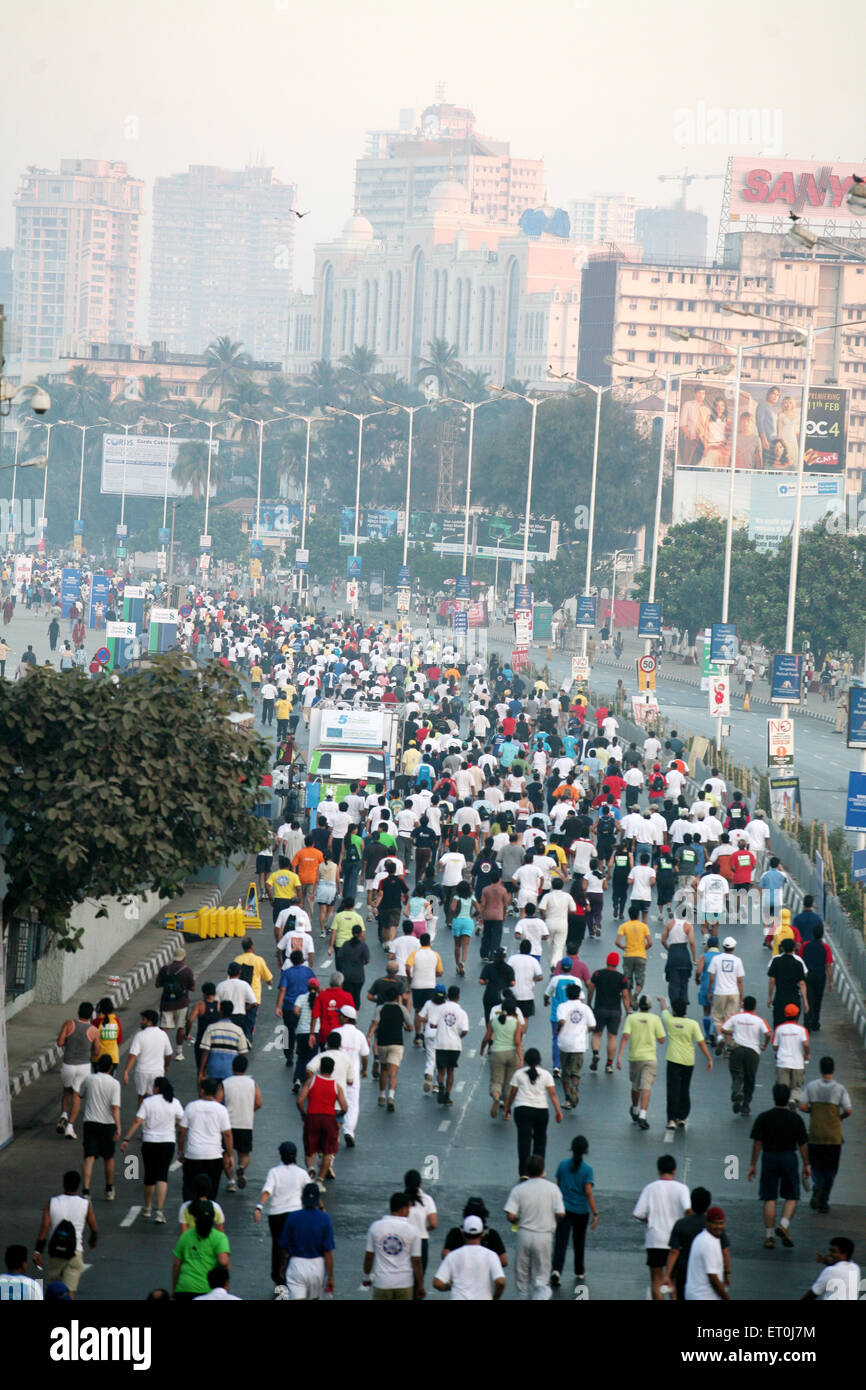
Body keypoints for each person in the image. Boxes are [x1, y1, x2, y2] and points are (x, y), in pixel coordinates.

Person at [748, 1082, 810, 1249]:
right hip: (789, 1157)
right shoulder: (796, 1119)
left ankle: (769, 1236)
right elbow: (803, 1144)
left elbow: (758, 1143)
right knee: (792, 1196)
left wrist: (753, 1164)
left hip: (769, 1157)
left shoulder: (764, 1117)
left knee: (770, 1197)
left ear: (774, 1097)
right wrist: (806, 1164)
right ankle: (783, 1224)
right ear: (787, 1098)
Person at [120, 1075, 183, 1223]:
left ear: (156, 1088)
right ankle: (159, 1211)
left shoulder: (148, 1102)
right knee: (162, 1176)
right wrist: (173, 1128)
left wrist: (126, 1139)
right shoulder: (174, 1102)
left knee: (150, 1176)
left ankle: (147, 1207)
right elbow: (182, 1121)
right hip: (167, 1142)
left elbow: (137, 1120)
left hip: (149, 1142)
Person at [504, 1153, 565, 1301]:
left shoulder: (519, 1190)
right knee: (542, 1277)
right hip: (544, 1235)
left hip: (524, 1234)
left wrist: (520, 1219)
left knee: (522, 1275)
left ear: (527, 1171)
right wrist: (552, 1221)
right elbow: (561, 1213)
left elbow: (510, 1215)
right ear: (543, 1170)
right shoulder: (553, 1189)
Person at [633, 1155, 692, 1300]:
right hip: (676, 1241)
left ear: (658, 1170)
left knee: (656, 1278)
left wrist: (650, 1219)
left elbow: (638, 1213)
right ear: (674, 1170)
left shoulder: (650, 1188)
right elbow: (688, 1210)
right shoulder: (682, 1188)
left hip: (655, 1239)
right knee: (674, 1279)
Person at [799, 1056, 853, 1215]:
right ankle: (824, 1202)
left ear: (820, 1069)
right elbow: (849, 1110)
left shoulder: (812, 1086)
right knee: (831, 1169)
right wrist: (839, 1118)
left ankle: (818, 1185)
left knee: (816, 1165)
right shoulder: (840, 1089)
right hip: (834, 1137)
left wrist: (812, 1111)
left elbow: (802, 1105)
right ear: (833, 1069)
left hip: (815, 1134)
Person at [34, 1170, 98, 1298]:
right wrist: (92, 1241)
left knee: (55, 1290)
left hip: (56, 1252)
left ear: (63, 1184)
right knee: (69, 1292)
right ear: (79, 1185)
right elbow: (94, 1228)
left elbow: (45, 1228)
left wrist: (38, 1251)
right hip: (75, 1252)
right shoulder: (85, 1204)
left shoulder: (52, 1203)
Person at [254, 1140, 309, 1287]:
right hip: (296, 1214)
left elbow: (267, 1191)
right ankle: (293, 1273)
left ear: (281, 1155)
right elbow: (310, 1192)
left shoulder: (274, 1172)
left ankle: (278, 1276)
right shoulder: (302, 1173)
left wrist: (259, 1207)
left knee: (277, 1245)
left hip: (276, 1215)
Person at [503, 1047, 563, 1176]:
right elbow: (553, 1094)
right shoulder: (546, 1075)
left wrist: (507, 1108)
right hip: (541, 1110)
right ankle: (539, 1170)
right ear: (539, 1060)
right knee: (540, 1140)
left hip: (522, 1110)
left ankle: (524, 1171)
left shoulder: (519, 1074)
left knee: (524, 1141)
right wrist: (559, 1111)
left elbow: (512, 1093)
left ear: (526, 1060)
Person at [664, 1187, 731, 1302]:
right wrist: (727, 1272)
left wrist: (667, 1275)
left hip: (684, 1269)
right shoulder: (713, 1225)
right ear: (708, 1204)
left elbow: (674, 1251)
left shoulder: (681, 1224)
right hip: (706, 1271)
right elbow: (725, 1251)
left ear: (691, 1202)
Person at [658, 995, 713, 1130]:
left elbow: (664, 1010)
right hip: (688, 1061)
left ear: (674, 1011)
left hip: (673, 1060)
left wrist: (662, 1001)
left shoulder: (670, 1021)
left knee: (672, 1090)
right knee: (684, 1089)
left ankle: (671, 1119)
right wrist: (709, 1059)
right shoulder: (692, 1024)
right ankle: (682, 1117)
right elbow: (701, 1043)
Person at [551, 1135, 598, 1289]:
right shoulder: (588, 1170)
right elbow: (588, 1192)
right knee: (579, 1241)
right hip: (581, 1211)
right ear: (585, 1151)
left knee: (561, 1241)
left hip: (564, 1210)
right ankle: (579, 1270)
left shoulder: (562, 1165)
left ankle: (556, 1270)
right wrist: (595, 1213)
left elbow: (557, 1186)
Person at [178, 1077, 234, 1202]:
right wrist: (230, 1155)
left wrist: (180, 1150)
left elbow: (182, 1131)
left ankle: (189, 1214)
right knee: (211, 1190)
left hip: (193, 1155)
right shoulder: (221, 1110)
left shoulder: (191, 1107)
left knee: (189, 1188)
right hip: (214, 1156)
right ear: (216, 1092)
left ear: (202, 1091)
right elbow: (228, 1134)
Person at [278, 1182, 336, 1300]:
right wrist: (330, 1277)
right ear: (318, 1199)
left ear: (302, 1198)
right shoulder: (325, 1218)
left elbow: (283, 1246)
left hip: (296, 1264)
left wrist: (282, 1265)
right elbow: (328, 1252)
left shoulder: (293, 1217)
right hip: (317, 1266)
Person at [363, 1192, 425, 1300]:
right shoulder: (413, 1230)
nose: (409, 1211)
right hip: (404, 1284)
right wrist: (420, 1285)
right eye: (408, 1208)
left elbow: (369, 1256)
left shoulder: (375, 1227)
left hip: (382, 1283)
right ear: (403, 1209)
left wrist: (366, 1277)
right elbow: (416, 1261)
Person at [616, 995, 666, 1129]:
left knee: (635, 1085)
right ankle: (643, 1115)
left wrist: (619, 1057)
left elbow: (625, 1036)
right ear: (649, 1007)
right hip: (650, 1058)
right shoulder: (655, 1019)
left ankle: (636, 1109)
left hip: (635, 1057)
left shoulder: (631, 1018)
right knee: (646, 1087)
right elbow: (662, 1039)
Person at [79, 1054, 122, 1200]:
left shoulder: (89, 1079)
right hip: (108, 1124)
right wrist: (118, 1126)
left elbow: (80, 1094)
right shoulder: (114, 1084)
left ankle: (86, 1190)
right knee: (108, 1157)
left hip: (90, 1122)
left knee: (89, 1157)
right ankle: (109, 1188)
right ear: (111, 1067)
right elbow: (115, 1107)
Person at [433, 1214, 506, 1300]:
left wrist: (450, 1286)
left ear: (463, 1233)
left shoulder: (453, 1255)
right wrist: (495, 1297)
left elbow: (437, 1283)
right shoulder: (491, 1255)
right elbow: (500, 1282)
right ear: (482, 1234)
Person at [721, 995, 771, 1117]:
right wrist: (764, 1044)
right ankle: (746, 1106)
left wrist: (733, 1033)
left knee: (736, 1074)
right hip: (753, 1052)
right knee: (750, 1078)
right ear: (755, 1007)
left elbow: (723, 1029)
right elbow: (768, 1034)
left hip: (737, 1050)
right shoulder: (759, 1020)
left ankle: (737, 1091)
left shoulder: (736, 1017)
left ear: (742, 1006)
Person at [367, 983, 413, 1111]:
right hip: (397, 1043)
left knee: (384, 1070)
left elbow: (375, 1023)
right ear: (397, 997)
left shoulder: (380, 1009)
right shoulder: (402, 1009)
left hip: (382, 1042)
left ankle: (381, 1095)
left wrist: (369, 1035)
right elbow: (410, 1025)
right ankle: (391, 1096)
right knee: (393, 1073)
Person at [56, 1002, 98, 1140]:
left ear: (78, 1011)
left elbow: (60, 1042)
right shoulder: (93, 1030)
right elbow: (97, 1050)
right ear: (91, 1015)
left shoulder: (69, 1024)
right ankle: (70, 1127)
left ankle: (63, 1114)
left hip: (68, 1064)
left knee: (66, 1091)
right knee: (77, 1096)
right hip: (84, 1066)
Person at [172, 1201, 230, 1301]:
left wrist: (175, 1288)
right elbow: (223, 1262)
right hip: (207, 1289)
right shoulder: (220, 1237)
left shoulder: (185, 1236)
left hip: (184, 1288)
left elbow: (176, 1264)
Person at [222, 1054, 263, 1192]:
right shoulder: (252, 1083)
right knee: (244, 1154)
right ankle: (241, 1167)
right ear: (245, 1068)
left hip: (228, 1124)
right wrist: (248, 1110)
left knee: (226, 1153)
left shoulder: (226, 1083)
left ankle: (231, 1180)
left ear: (232, 1067)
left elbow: (217, 1101)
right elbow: (258, 1103)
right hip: (245, 1123)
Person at [588, 951, 631, 1075]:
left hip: (600, 1009)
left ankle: (596, 1053)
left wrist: (589, 1002)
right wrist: (627, 1010)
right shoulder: (621, 977)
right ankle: (609, 1064)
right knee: (612, 1037)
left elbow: (591, 989)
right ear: (617, 964)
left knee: (597, 1034)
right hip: (615, 1011)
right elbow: (625, 995)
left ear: (607, 961)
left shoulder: (597, 974)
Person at [123, 1010, 173, 1104]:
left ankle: (141, 1117)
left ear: (149, 1022)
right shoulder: (163, 1034)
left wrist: (126, 1071)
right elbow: (169, 1054)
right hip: (157, 1071)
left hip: (142, 1072)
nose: (141, 1022)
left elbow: (133, 1055)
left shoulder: (140, 1036)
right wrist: (166, 1066)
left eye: (143, 1020)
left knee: (141, 1097)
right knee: (157, 1099)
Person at [156, 944, 195, 1061]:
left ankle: (162, 1051)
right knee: (180, 1027)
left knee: (164, 1028)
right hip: (181, 1003)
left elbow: (157, 985)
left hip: (166, 1003)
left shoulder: (165, 969)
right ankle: (179, 1052)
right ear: (184, 958)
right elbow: (192, 988)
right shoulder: (187, 970)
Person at [707, 937, 745, 1052]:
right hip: (734, 993)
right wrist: (741, 996)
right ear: (734, 947)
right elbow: (739, 981)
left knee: (717, 1017)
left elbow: (712, 977)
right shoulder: (738, 960)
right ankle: (728, 1046)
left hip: (719, 992)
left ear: (722, 946)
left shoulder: (716, 959)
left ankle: (719, 1037)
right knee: (730, 1019)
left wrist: (709, 991)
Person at [197, 1000, 250, 1082]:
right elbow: (242, 1052)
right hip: (230, 1071)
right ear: (231, 1012)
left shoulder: (211, 1028)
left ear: (220, 1011)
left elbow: (205, 1051)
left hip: (213, 1069)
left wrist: (201, 1071)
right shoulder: (238, 1031)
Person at [434, 984, 469, 1106]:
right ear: (458, 997)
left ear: (448, 995)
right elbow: (464, 1030)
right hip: (455, 1045)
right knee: (451, 1070)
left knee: (441, 1070)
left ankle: (441, 1085)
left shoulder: (440, 1009)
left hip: (441, 1043)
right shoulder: (462, 1012)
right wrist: (458, 1037)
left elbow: (432, 1024)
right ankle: (447, 1095)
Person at [684, 1208, 730, 1301]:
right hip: (704, 1295)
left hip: (694, 1293)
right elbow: (713, 1279)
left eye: (721, 1223)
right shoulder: (709, 1243)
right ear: (707, 1223)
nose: (718, 1227)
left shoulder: (703, 1237)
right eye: (715, 1223)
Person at [233, 936, 273, 1038]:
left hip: (239, 996)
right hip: (254, 997)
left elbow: (231, 978)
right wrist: (269, 983)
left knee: (239, 1020)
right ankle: (248, 1040)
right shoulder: (258, 960)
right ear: (252, 947)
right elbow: (268, 978)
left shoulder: (237, 959)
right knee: (250, 1021)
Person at [403, 1168, 438, 1282]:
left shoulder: (401, 1199)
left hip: (403, 1240)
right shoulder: (427, 1199)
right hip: (421, 1240)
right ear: (420, 1183)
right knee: (418, 1277)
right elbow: (433, 1223)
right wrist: (424, 1229)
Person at [772, 1003, 810, 1107]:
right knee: (796, 1086)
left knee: (783, 1087)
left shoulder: (779, 1029)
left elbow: (775, 1046)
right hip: (798, 1063)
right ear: (797, 1015)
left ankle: (782, 1107)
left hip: (783, 1062)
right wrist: (807, 1054)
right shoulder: (802, 1030)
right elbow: (806, 1044)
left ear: (785, 1014)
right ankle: (793, 1100)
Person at [767, 937, 807, 1026]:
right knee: (793, 1024)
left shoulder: (776, 961)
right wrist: (805, 1001)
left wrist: (770, 997)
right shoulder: (798, 963)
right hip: (794, 998)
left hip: (780, 998)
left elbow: (772, 980)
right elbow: (802, 983)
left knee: (778, 1024)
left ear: (782, 948)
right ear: (794, 949)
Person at [801, 923, 833, 1032]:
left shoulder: (805, 945)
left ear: (813, 934)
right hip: (820, 976)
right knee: (818, 1000)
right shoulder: (826, 948)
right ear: (822, 935)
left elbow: (800, 960)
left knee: (808, 999)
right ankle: (815, 1023)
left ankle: (807, 1023)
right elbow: (828, 965)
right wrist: (831, 981)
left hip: (807, 975)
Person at [615, 907, 653, 998]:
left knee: (627, 980)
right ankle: (635, 995)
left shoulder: (624, 926)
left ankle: (629, 1000)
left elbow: (617, 942)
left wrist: (623, 947)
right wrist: (644, 948)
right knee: (640, 980)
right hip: (641, 956)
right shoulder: (644, 926)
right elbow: (650, 943)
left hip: (628, 956)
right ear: (638, 915)